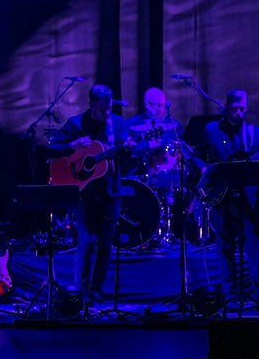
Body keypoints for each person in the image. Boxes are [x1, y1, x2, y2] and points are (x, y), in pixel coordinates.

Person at [198, 89, 259, 308]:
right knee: (225, 246)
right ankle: (230, 296)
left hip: (249, 197)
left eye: (242, 109)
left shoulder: (256, 134)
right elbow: (196, 155)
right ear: (227, 107)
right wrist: (203, 169)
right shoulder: (211, 130)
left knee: (256, 247)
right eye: (235, 108)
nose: (239, 113)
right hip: (221, 197)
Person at [46, 84, 131, 303]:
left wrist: (129, 147)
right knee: (88, 240)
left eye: (109, 108)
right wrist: (72, 145)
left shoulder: (117, 123)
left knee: (105, 243)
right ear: (91, 104)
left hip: (111, 190)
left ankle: (96, 291)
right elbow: (52, 148)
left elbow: (126, 151)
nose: (107, 112)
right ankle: (79, 292)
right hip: (84, 192)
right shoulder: (76, 124)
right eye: (102, 109)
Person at [126, 87, 184, 191]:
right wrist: (150, 145)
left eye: (162, 105)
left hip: (170, 170)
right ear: (146, 104)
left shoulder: (174, 124)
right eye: (156, 105)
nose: (160, 109)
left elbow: (180, 150)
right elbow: (130, 152)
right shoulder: (132, 125)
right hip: (143, 171)